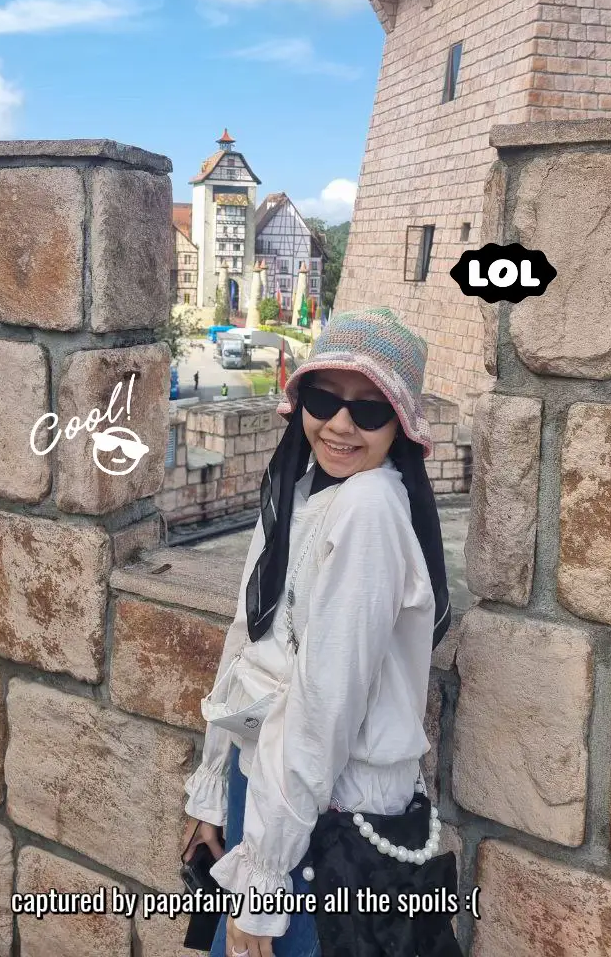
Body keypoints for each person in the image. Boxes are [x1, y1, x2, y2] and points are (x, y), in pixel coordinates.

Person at [181, 307, 454, 957]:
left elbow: (322, 706)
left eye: (369, 409)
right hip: (272, 797)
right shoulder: (299, 490)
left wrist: (263, 882)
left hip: (319, 823)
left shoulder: (367, 508)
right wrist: (216, 791)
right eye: (325, 398)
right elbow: (249, 643)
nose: (339, 424)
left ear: (401, 423)